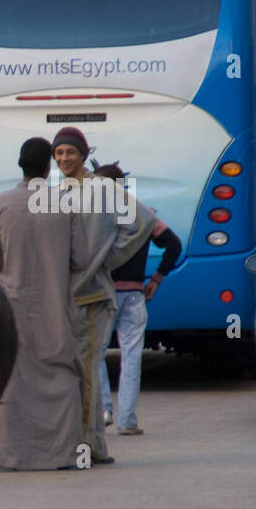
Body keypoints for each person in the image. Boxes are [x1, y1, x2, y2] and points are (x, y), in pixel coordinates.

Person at [0, 138, 89, 470]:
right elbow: (81, 258)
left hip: (11, 308)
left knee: (14, 378)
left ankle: (12, 454)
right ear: (48, 166)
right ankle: (63, 453)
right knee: (62, 375)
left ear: (20, 165)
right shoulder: (64, 203)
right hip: (55, 306)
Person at [53, 127, 154, 466]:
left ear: (83, 154)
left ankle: (88, 447)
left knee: (86, 376)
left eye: (70, 152)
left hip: (93, 297)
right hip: (67, 298)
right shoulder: (56, 193)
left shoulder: (105, 189)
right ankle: (92, 444)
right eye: (59, 153)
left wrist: (106, 261)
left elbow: (142, 223)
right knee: (83, 375)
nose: (64, 158)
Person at [92, 163, 183, 436]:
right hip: (134, 295)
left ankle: (104, 410)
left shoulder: (95, 217)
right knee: (132, 357)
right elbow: (173, 245)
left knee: (95, 354)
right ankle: (128, 421)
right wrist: (156, 279)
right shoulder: (143, 214)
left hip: (102, 294)